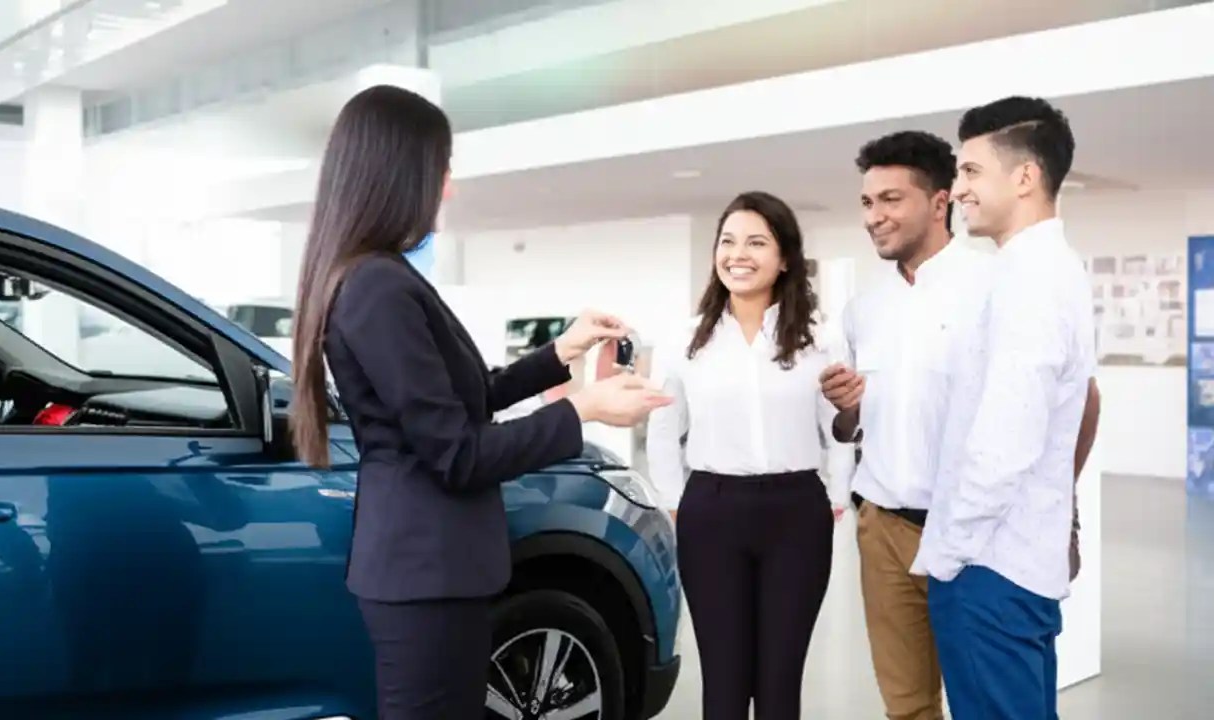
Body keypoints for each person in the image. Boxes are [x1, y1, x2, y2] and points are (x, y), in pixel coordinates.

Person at [288, 84, 673, 720]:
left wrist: (561, 352)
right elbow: (458, 454)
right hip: (425, 571)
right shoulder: (378, 287)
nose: (449, 188)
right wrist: (583, 410)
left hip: (431, 568)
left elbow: (468, 399)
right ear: (400, 171)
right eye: (442, 169)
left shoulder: (379, 277)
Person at [909, 96, 1096, 720]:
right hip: (1014, 565)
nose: (958, 188)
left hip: (989, 570)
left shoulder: (1030, 280)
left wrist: (951, 553)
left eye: (971, 171)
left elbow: (1006, 440)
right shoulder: (1046, 269)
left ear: (1025, 177)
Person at [647, 191, 842, 720]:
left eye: (756, 242)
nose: (738, 254)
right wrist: (675, 502)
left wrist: (837, 492)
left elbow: (838, 424)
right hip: (712, 511)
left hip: (797, 513)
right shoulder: (687, 339)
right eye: (728, 241)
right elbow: (663, 428)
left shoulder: (820, 337)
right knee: (724, 684)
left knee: (780, 684)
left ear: (785, 258)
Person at [820, 130, 993, 720]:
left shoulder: (992, 288)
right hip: (884, 531)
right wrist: (845, 407)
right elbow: (849, 428)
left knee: (984, 704)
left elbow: (1075, 403)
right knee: (907, 706)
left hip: (974, 532)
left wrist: (1062, 518)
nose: (874, 216)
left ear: (940, 202)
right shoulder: (863, 309)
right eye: (868, 202)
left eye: (891, 199)